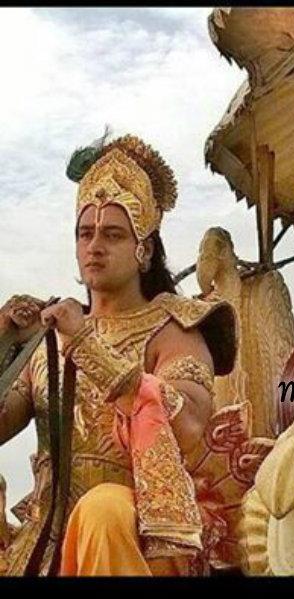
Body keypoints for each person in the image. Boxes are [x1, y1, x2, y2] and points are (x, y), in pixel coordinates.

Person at [0, 133, 237, 575]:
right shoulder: (49, 336)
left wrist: (86, 345)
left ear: (144, 249)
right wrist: (4, 341)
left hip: (140, 537)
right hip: (46, 543)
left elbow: (187, 425)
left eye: (112, 234)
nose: (95, 246)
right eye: (85, 234)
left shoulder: (175, 327)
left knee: (103, 510)